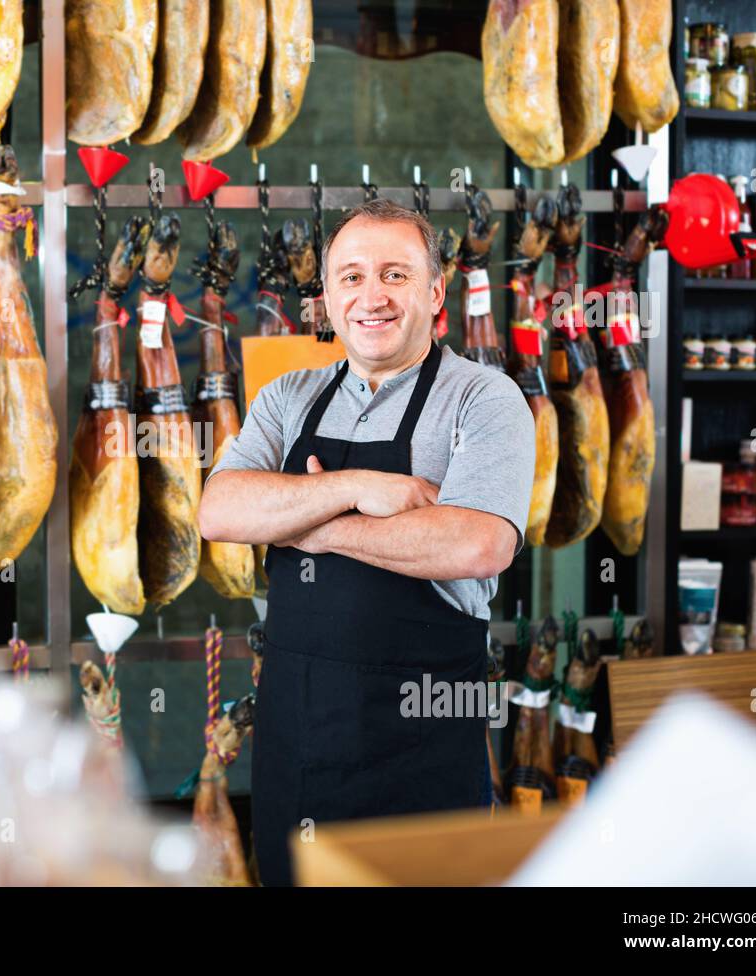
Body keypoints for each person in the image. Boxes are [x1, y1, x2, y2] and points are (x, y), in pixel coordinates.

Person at [198, 199, 536, 886]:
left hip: (422, 751)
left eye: (394, 274)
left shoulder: (485, 399)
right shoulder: (288, 396)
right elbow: (221, 511)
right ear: (325, 298)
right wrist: (360, 485)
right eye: (350, 277)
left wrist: (309, 524)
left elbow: (476, 545)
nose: (371, 296)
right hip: (298, 742)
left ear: (436, 291)